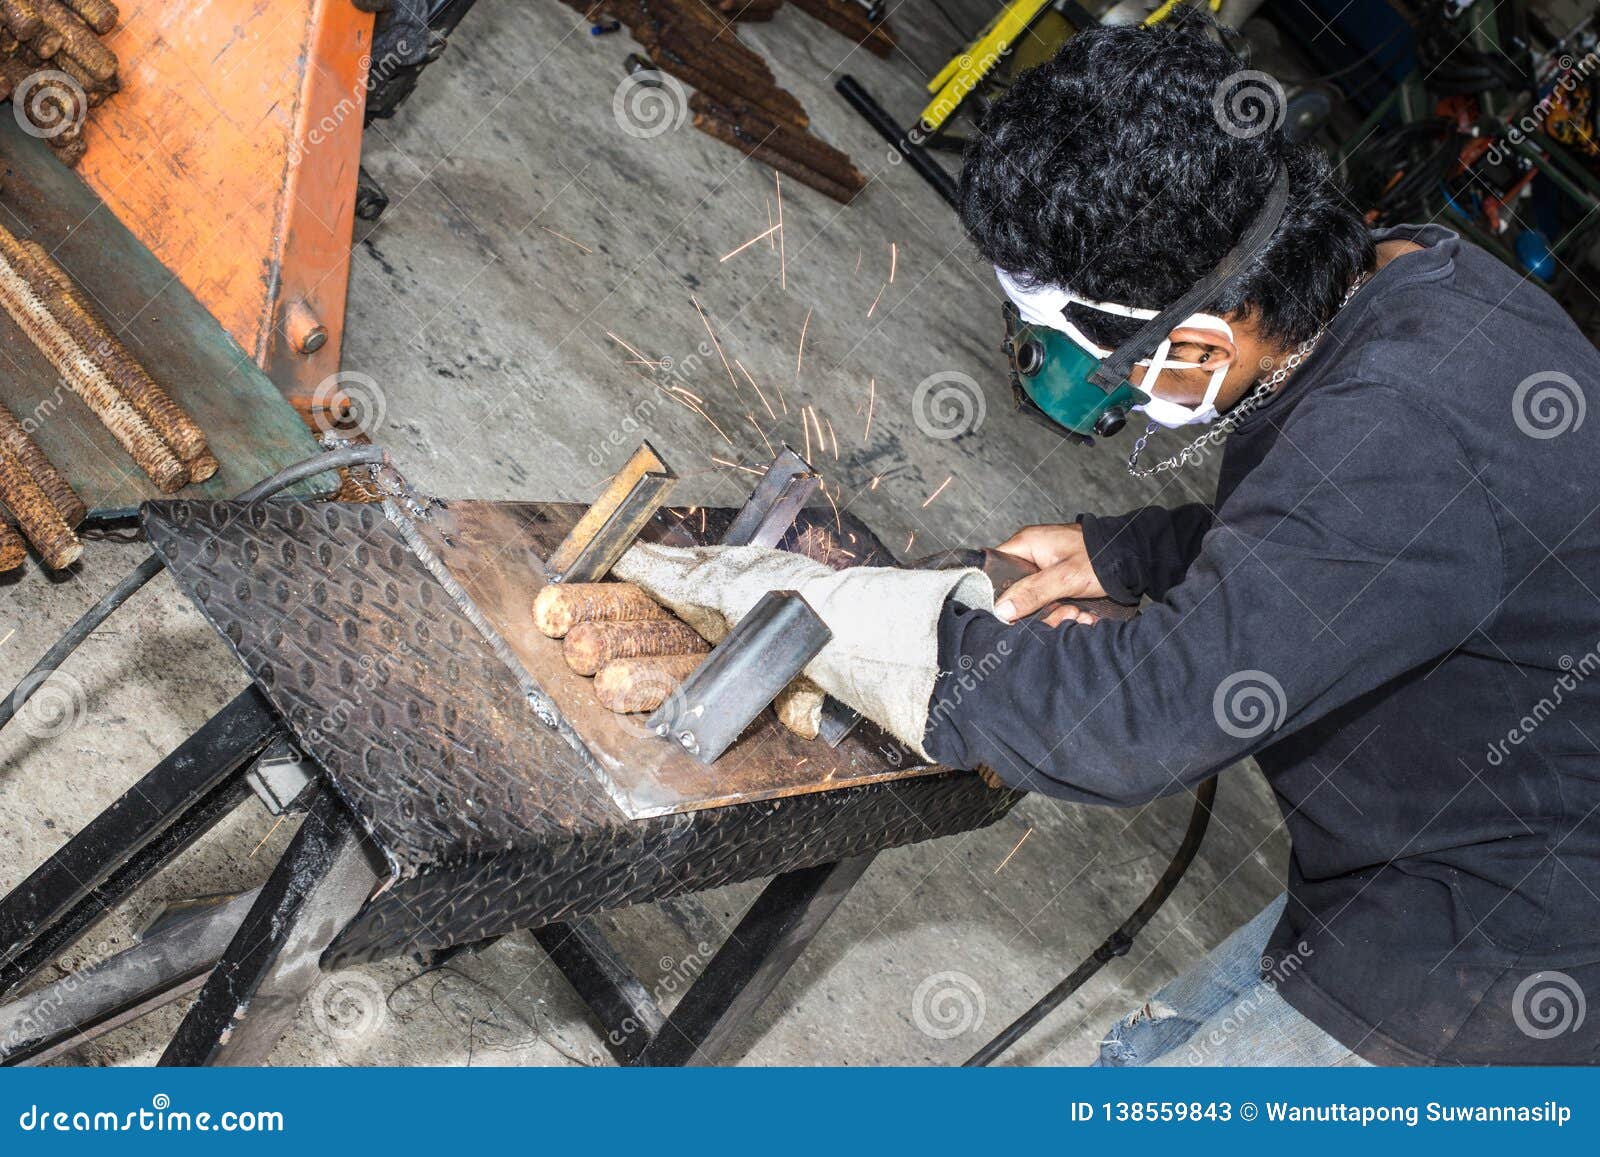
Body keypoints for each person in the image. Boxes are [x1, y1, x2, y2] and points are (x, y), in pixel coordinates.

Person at [617, 16, 1600, 1064]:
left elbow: (1140, 721)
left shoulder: (1403, 428)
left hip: (1492, 958)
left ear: (1200, 344)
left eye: (1097, 358)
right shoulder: (1400, 276)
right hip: (1411, 859)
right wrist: (1128, 555)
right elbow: (1367, 549)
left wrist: (884, 634)